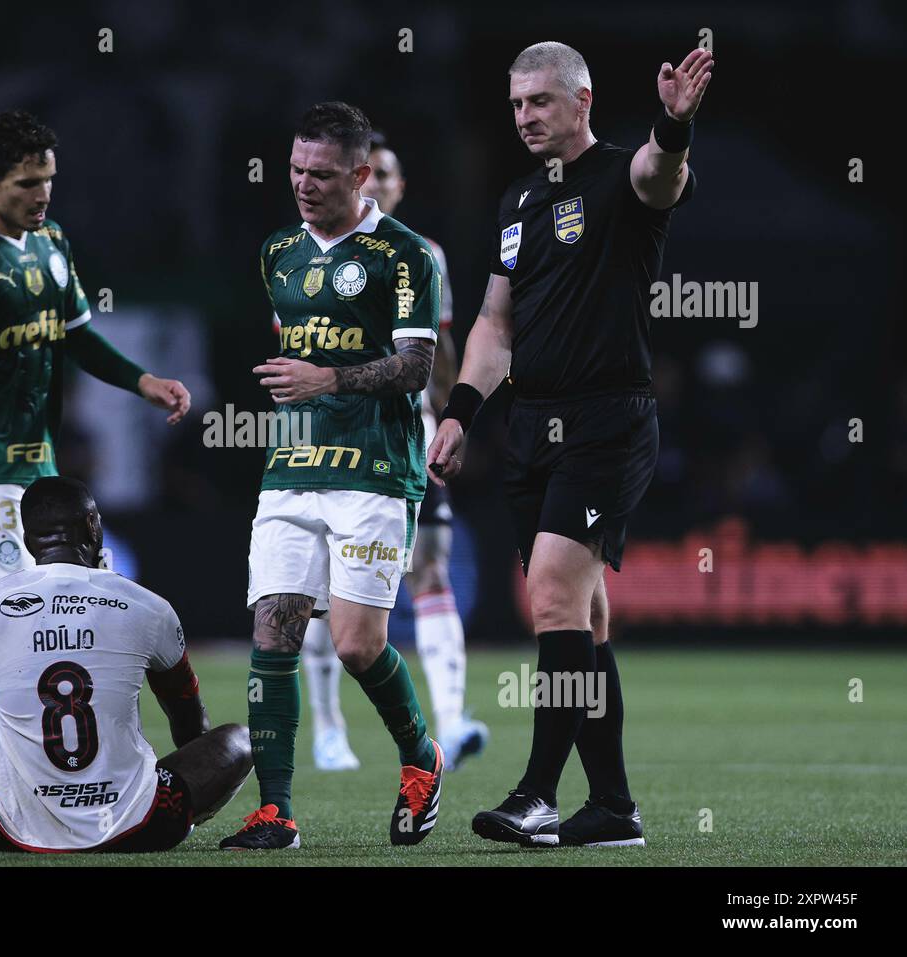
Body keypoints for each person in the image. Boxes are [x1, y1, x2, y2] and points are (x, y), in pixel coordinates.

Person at [429, 42, 711, 847]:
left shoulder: (622, 177)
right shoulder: (517, 201)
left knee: (551, 593)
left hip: (607, 421)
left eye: (539, 103)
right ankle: (614, 807)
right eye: (516, 104)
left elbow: (665, 175)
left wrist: (677, 124)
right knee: (580, 620)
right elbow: (494, 323)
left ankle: (536, 794)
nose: (524, 117)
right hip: (531, 426)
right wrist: (460, 413)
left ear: (581, 102)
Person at [0, 110, 191, 822]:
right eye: (26, 183)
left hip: (36, 467)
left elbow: (76, 336)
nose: (42, 195)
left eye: (48, 179)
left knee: (23, 638)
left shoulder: (51, 242)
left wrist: (145, 382)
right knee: (14, 629)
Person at [221, 102, 444, 850]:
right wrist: (308, 389)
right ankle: (275, 810)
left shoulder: (405, 254)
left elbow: (418, 366)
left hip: (376, 473)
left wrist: (330, 380)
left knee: (355, 645)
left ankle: (421, 758)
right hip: (290, 470)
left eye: (320, 173)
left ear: (359, 173)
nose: (303, 185)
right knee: (273, 632)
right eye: (294, 170)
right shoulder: (276, 251)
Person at [298, 131, 488, 771]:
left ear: (398, 187)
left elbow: (441, 349)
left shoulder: (424, 255)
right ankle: (328, 730)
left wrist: (450, 418)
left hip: (409, 434)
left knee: (431, 567)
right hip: (333, 437)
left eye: (385, 174)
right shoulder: (308, 252)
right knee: (322, 587)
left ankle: (455, 721)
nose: (374, 183)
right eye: (365, 172)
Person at [0, 476, 252, 853]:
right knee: (239, 739)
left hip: (14, 832)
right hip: (141, 826)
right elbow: (188, 719)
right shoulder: (147, 605)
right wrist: (181, 787)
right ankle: (180, 819)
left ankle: (34, 813)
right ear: (92, 525)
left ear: (26, 538)